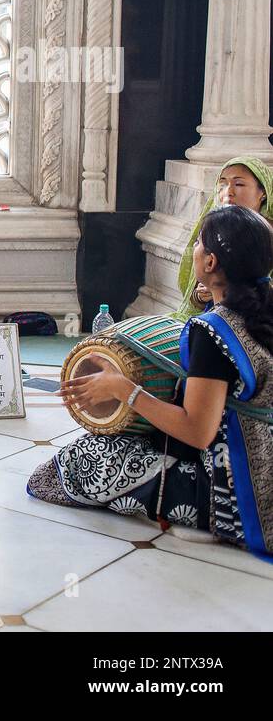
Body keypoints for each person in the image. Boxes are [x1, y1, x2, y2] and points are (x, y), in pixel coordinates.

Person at [31, 205, 273, 557]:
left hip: (240, 491)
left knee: (71, 465)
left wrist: (123, 389)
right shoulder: (263, 309)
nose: (195, 249)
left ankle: (207, 517)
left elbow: (197, 431)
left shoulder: (213, 331)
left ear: (210, 264)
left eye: (200, 243)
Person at [176, 156, 273, 320]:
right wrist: (201, 295)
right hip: (209, 317)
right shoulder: (214, 230)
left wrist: (228, 292)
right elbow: (193, 291)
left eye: (239, 184)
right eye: (223, 184)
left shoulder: (266, 237)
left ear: (263, 193)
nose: (229, 192)